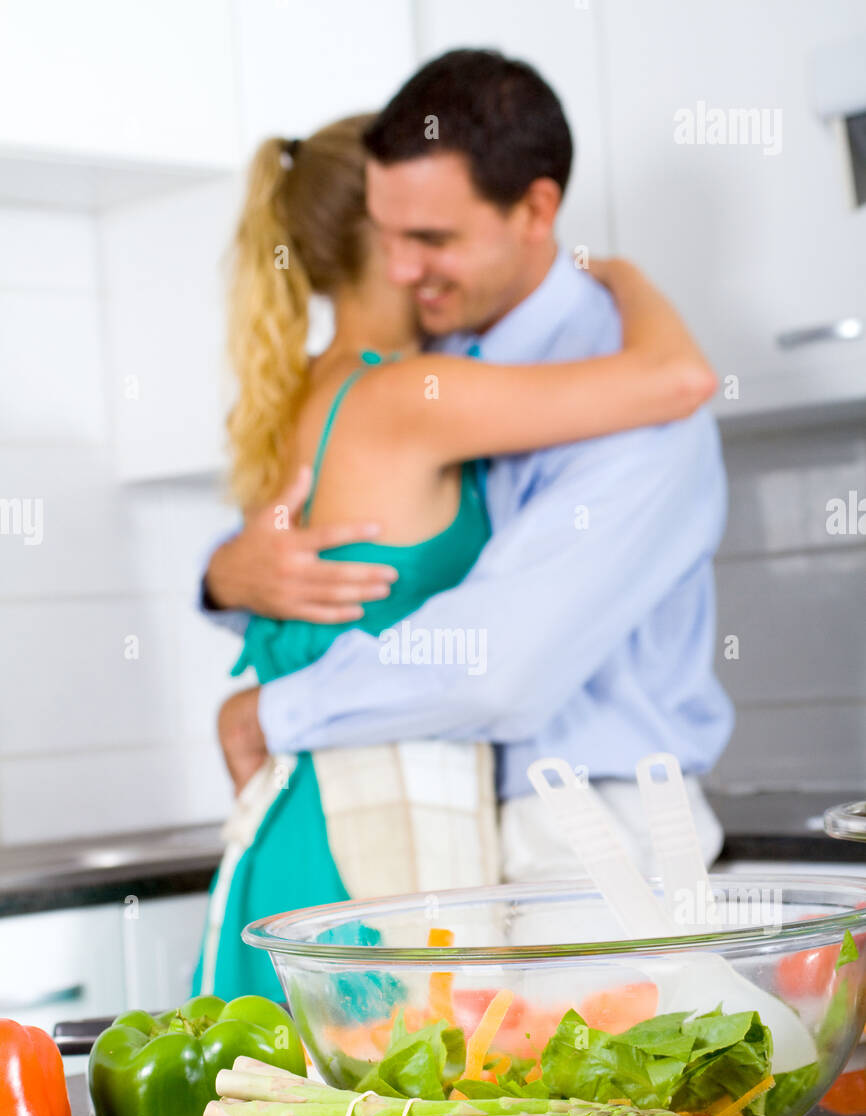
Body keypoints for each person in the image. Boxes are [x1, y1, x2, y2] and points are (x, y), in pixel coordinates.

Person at [197, 52, 733, 995]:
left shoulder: (635, 402)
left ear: (534, 211)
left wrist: (271, 711)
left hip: (591, 848)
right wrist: (225, 576)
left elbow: (498, 669)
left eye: (432, 237)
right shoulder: (425, 361)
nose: (405, 268)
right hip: (429, 828)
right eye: (389, 234)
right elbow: (331, 573)